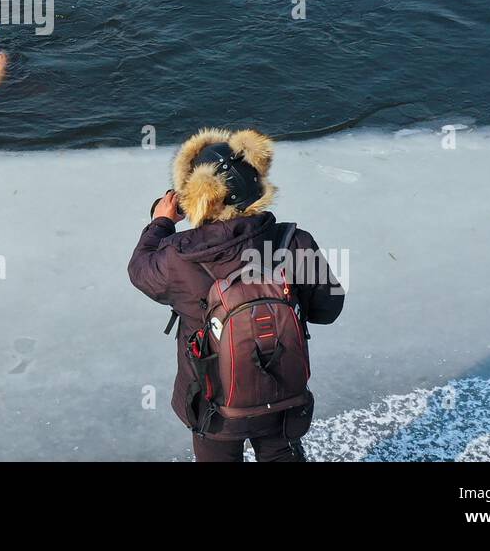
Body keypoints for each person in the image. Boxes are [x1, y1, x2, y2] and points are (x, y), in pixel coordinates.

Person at [128, 127, 345, 462]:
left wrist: (161, 223)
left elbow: (140, 271)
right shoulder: (294, 241)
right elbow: (328, 310)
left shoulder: (177, 256)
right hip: (282, 396)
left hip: (214, 404)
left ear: (196, 197)